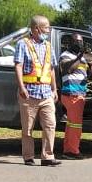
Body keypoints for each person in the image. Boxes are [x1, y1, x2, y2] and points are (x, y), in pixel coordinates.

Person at [14, 15, 61, 166]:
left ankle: (47, 157)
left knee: (50, 125)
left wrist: (54, 89)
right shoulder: (23, 44)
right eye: (46, 28)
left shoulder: (48, 46)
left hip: (46, 93)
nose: (48, 30)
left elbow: (51, 69)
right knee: (28, 128)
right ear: (36, 29)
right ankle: (28, 157)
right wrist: (21, 87)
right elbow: (18, 66)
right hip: (29, 93)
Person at [58, 33, 92, 159]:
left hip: (79, 93)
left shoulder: (82, 58)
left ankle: (68, 149)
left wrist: (91, 70)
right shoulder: (65, 56)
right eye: (77, 42)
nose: (79, 44)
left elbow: (84, 74)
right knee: (76, 125)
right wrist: (80, 56)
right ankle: (72, 151)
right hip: (71, 93)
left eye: (81, 42)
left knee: (71, 124)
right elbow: (69, 69)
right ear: (70, 43)